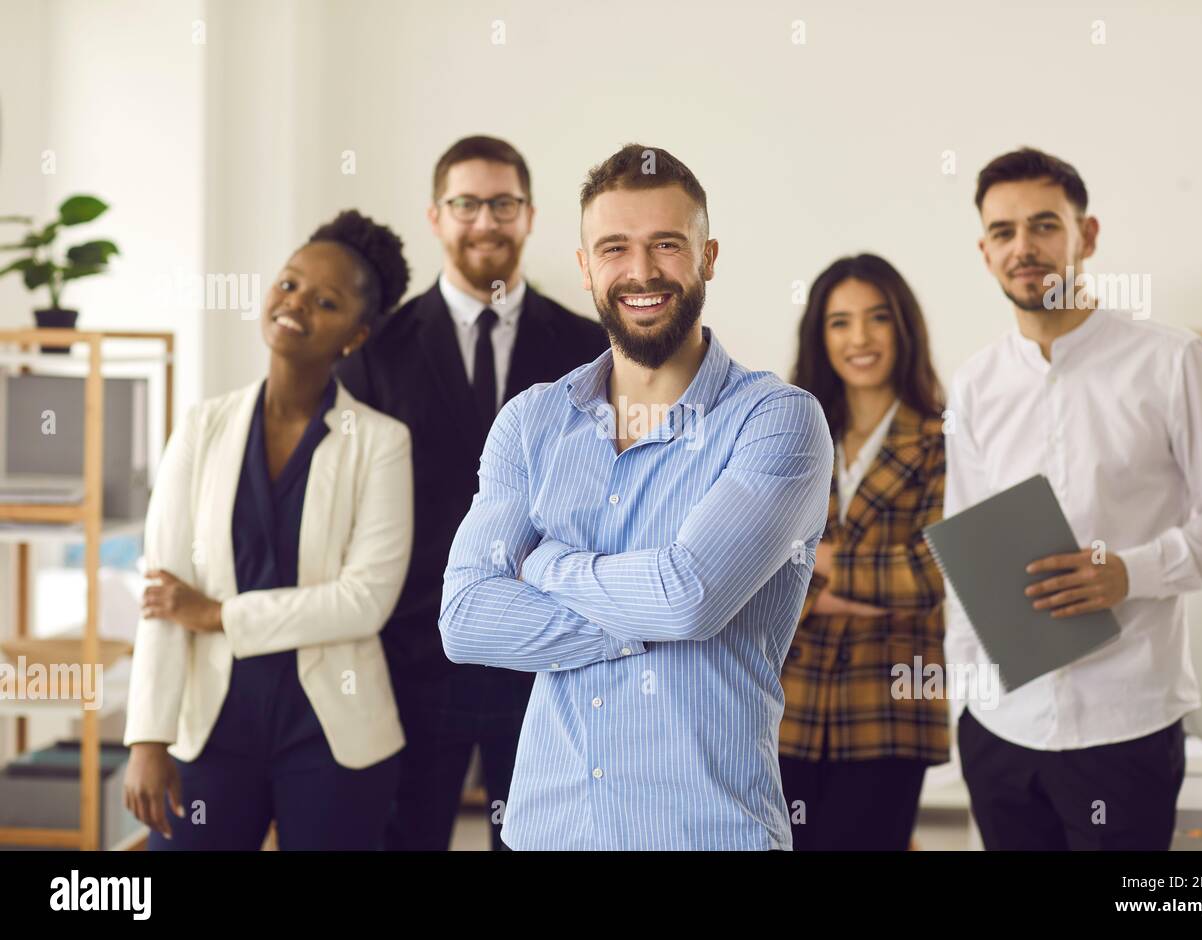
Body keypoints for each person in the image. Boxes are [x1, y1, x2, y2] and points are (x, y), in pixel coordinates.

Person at [438, 143, 833, 850]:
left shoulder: (777, 420)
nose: (642, 271)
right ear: (586, 266)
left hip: (708, 834)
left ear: (708, 256)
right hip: (548, 831)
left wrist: (545, 566)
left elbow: (688, 597)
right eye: (615, 248)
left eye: (667, 245)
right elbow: (466, 617)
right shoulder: (533, 422)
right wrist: (652, 614)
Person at [945, 147, 1202, 850]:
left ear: (1086, 237)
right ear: (984, 250)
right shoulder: (974, 385)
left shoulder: (1171, 360)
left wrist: (1132, 571)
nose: (1023, 248)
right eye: (1003, 232)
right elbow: (964, 548)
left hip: (1126, 727)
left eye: (1044, 225)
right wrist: (965, 697)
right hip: (1001, 732)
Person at [334, 135, 608, 850]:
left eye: (502, 204)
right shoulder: (375, 353)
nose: (485, 221)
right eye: (466, 204)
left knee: (542, 840)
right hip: (416, 655)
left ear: (529, 215)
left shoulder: (589, 348)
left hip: (548, 649)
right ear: (435, 216)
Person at [122, 210, 414, 850]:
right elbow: (164, 594)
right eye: (288, 284)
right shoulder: (202, 428)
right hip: (212, 726)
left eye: (325, 301)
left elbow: (364, 602)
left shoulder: (382, 445)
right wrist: (148, 737)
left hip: (333, 733)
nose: (296, 305)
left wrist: (220, 614)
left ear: (355, 336)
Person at [780, 253, 948, 850]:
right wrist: (840, 594)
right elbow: (754, 575)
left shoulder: (944, 441)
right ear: (819, 335)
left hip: (892, 705)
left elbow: (934, 578)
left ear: (903, 328)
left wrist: (818, 566)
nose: (860, 339)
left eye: (877, 318)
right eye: (839, 321)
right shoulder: (791, 436)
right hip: (784, 707)